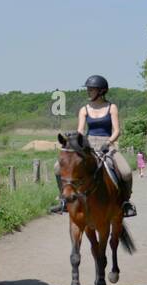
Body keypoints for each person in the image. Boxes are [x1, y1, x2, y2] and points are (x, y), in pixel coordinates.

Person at [48, 75, 137, 217]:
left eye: (91, 89)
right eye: (88, 89)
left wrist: (108, 143)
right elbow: (80, 131)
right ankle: (64, 200)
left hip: (107, 144)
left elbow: (117, 131)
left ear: (101, 91)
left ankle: (126, 203)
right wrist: (73, 141)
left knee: (126, 172)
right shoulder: (84, 109)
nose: (88, 91)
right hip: (88, 144)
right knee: (57, 167)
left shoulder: (111, 107)